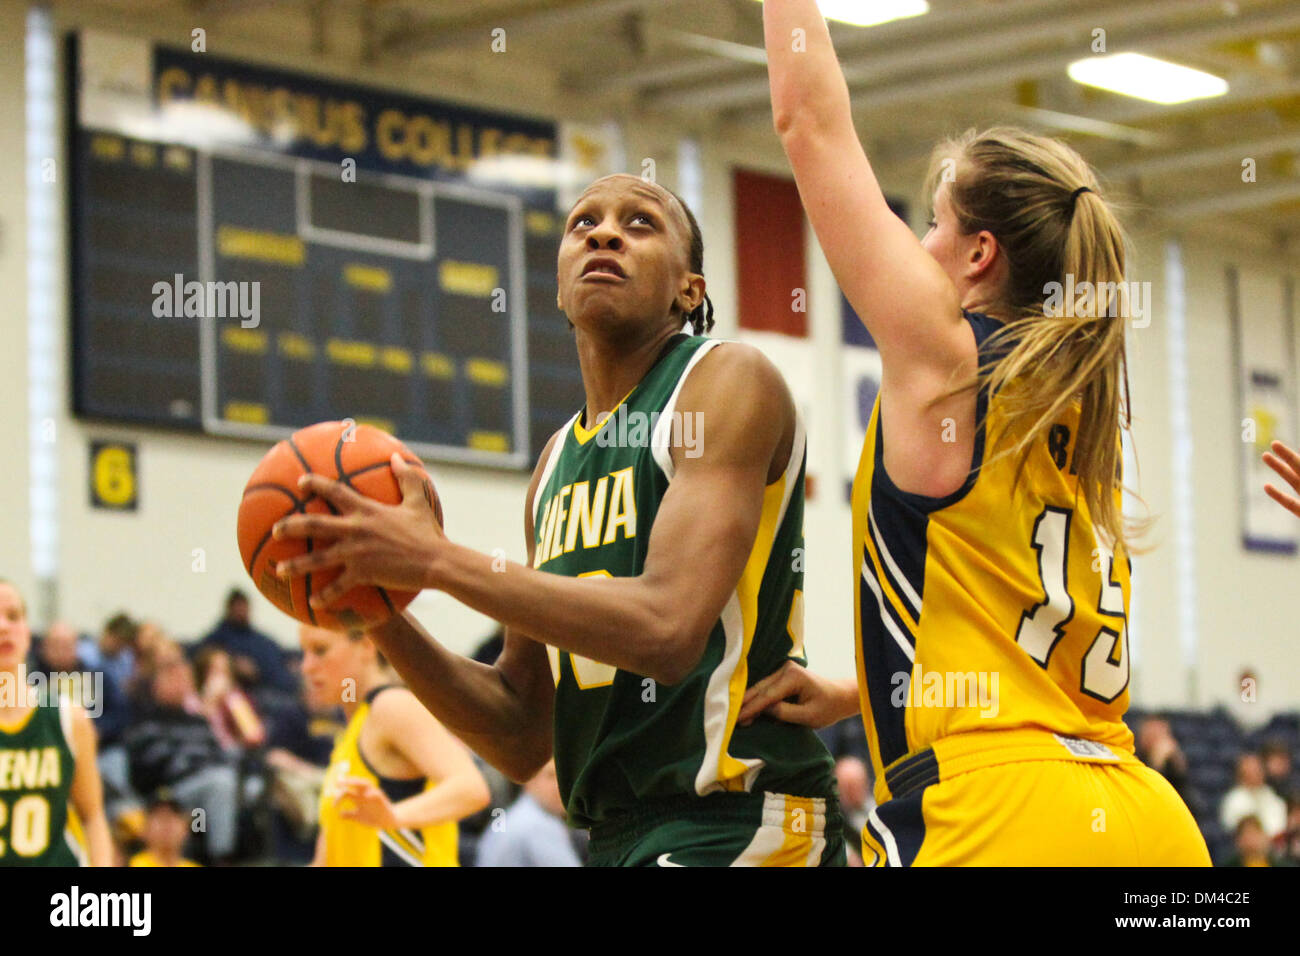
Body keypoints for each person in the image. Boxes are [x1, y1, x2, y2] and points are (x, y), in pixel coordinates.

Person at [738, 0, 1208, 866]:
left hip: (997, 818)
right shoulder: (1088, 404)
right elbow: (1022, 630)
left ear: (979, 255)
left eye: (933, 226)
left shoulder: (948, 361)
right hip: (1148, 819)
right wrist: (860, 692)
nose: (916, 245)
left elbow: (808, 122)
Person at [272, 173, 845, 866]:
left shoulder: (724, 382)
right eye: (584, 223)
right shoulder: (551, 467)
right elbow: (519, 729)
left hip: (737, 818)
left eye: (641, 224)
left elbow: (667, 629)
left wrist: (436, 561)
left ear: (689, 290)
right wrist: (376, 606)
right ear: (559, 287)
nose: (604, 233)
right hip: (614, 836)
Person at [300, 624, 490, 867]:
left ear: (366, 646)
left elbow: (471, 788)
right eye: (304, 652)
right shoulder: (349, 735)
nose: (307, 666)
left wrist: (393, 816)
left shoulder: (392, 706)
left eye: (320, 650)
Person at [0, 580, 113, 866]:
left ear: (27, 632)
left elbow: (93, 817)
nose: (4, 627)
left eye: (13, 616)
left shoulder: (68, 718)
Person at [123, 640, 242, 863]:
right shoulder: (147, 719)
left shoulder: (198, 721)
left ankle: (212, 853)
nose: (180, 685)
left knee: (229, 782)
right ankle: (221, 859)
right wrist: (189, 765)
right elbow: (145, 767)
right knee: (221, 783)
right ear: (158, 683)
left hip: (202, 797)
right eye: (173, 679)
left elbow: (218, 754)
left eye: (184, 679)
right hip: (168, 792)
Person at [476, 760, 583, 867]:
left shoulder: (519, 814)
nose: (560, 786)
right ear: (529, 781)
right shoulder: (536, 825)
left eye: (566, 777)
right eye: (551, 776)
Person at [198, 589, 296, 696]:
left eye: (244, 606)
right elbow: (202, 654)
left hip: (278, 684)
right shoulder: (218, 638)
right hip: (251, 690)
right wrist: (233, 664)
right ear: (229, 608)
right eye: (238, 606)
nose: (242, 611)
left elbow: (281, 653)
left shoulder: (260, 638)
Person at [1221, 752, 1287, 838]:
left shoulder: (1272, 797)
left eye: (1257, 770)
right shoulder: (1233, 799)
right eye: (1249, 771)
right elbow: (1231, 827)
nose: (1254, 774)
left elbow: (1279, 826)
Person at [128, 790, 201, 867]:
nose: (166, 822)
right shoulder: (129, 864)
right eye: (159, 816)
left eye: (174, 815)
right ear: (144, 827)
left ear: (186, 828)